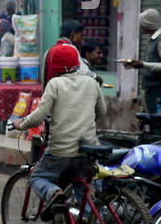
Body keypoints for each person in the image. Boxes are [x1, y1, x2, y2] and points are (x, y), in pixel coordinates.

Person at [13, 43, 106, 215]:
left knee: (37, 177)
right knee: (83, 189)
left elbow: (39, 116)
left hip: (60, 151)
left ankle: (54, 193)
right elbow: (102, 111)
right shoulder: (91, 83)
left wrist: (22, 123)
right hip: (87, 150)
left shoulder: (55, 84)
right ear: (78, 63)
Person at [122, 8, 161, 114]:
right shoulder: (153, 39)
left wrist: (144, 64)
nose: (140, 26)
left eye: (142, 23)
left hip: (156, 90)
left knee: (156, 121)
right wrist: (137, 65)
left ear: (148, 24)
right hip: (149, 90)